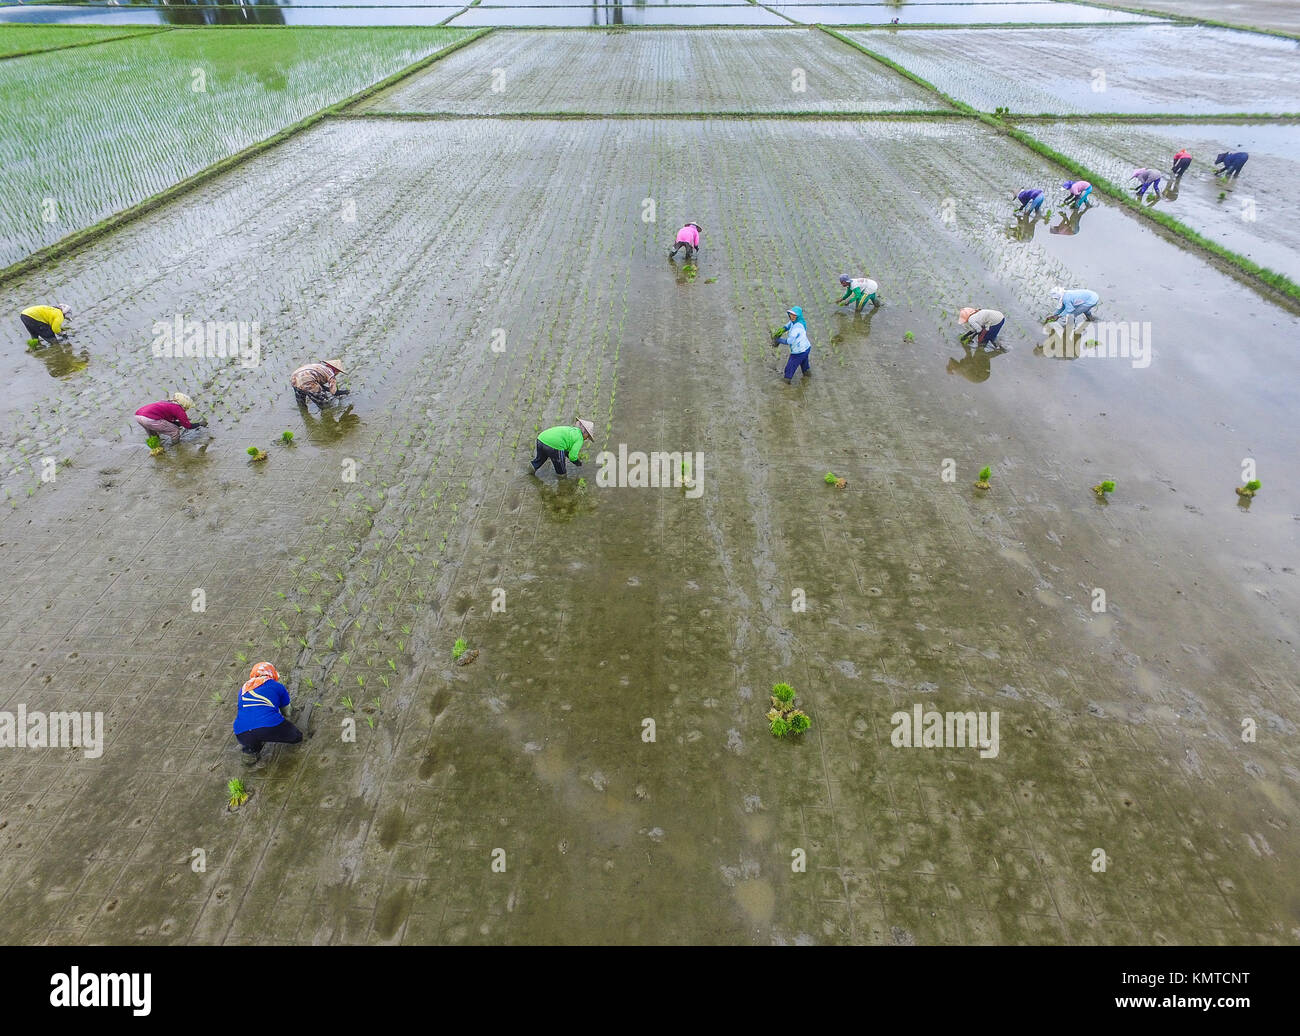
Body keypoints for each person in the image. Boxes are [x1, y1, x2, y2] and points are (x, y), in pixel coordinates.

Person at [233, 662, 302, 763]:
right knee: (297, 736)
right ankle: (264, 736)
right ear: (271, 673)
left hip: (241, 731)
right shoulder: (277, 686)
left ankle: (250, 754)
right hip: (268, 726)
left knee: (252, 745)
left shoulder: (243, 689)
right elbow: (287, 712)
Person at [134, 392, 205, 444]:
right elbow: (188, 426)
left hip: (138, 416)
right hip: (150, 419)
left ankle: (156, 446)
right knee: (175, 430)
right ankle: (176, 446)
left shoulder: (166, 403)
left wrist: (178, 423)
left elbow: (165, 419)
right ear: (184, 405)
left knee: (153, 434)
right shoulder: (178, 408)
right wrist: (200, 424)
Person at [775, 306, 812, 382]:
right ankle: (807, 376)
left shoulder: (797, 328)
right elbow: (788, 325)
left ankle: (786, 382)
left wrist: (778, 340)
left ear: (798, 316)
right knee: (805, 366)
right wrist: (782, 330)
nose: (792, 317)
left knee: (789, 369)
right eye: (791, 314)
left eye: (794, 315)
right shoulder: (798, 321)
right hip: (806, 347)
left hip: (799, 351)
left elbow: (789, 341)